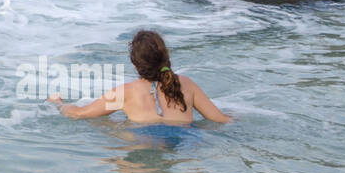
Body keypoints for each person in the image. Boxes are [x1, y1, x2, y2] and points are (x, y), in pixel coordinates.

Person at [49, 30, 230, 124]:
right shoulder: (186, 84)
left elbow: (79, 114)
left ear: (135, 64)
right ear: (166, 57)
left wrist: (58, 103)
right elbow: (221, 120)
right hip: (183, 145)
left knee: (106, 128)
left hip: (145, 141)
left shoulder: (125, 93)